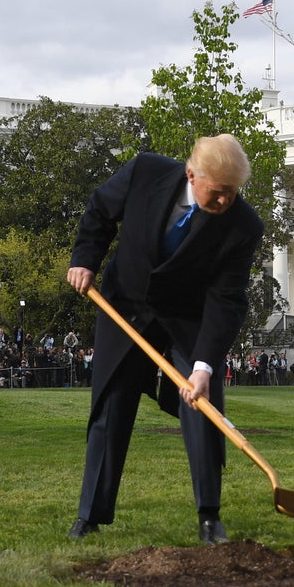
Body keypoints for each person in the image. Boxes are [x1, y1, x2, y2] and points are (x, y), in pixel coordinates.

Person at [65, 134, 264, 544]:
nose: (227, 201)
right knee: (111, 405)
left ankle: (209, 517)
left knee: (201, 405)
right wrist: (85, 260)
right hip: (125, 304)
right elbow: (101, 210)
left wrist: (204, 365)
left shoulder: (244, 226)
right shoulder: (145, 172)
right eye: (219, 192)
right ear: (193, 174)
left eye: (233, 193)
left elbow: (227, 298)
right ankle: (91, 514)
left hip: (187, 319)